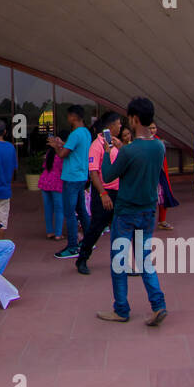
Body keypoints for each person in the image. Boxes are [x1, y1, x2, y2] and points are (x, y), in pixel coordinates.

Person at [96, 97, 167, 326]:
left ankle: (121, 309)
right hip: (148, 211)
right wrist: (122, 148)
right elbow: (139, 158)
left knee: (119, 261)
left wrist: (109, 152)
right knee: (145, 260)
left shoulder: (128, 152)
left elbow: (108, 175)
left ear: (134, 119)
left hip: (126, 212)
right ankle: (158, 305)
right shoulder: (159, 146)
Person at [76, 112, 122, 274]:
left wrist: (120, 147)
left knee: (120, 228)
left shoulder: (115, 143)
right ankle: (82, 258)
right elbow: (93, 173)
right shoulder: (97, 145)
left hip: (118, 192)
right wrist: (103, 194)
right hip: (104, 192)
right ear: (110, 126)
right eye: (118, 124)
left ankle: (120, 261)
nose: (120, 126)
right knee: (97, 227)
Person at [51, 105, 91, 259]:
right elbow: (72, 150)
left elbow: (62, 154)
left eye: (68, 116)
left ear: (74, 117)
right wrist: (61, 144)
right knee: (81, 210)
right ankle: (88, 240)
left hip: (71, 177)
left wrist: (56, 146)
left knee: (70, 212)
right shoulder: (86, 132)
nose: (67, 119)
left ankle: (73, 246)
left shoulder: (75, 134)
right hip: (81, 176)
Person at [151, 121, 179, 229]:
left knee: (163, 196)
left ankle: (162, 221)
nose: (152, 130)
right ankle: (148, 222)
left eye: (154, 128)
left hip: (159, 174)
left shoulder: (158, 141)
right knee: (151, 199)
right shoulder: (142, 142)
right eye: (150, 128)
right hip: (148, 175)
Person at [37, 143, 64, 240]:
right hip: (57, 182)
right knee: (59, 209)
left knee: (48, 208)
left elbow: (45, 165)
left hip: (45, 181)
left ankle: (49, 232)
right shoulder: (62, 154)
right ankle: (58, 233)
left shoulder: (49, 153)